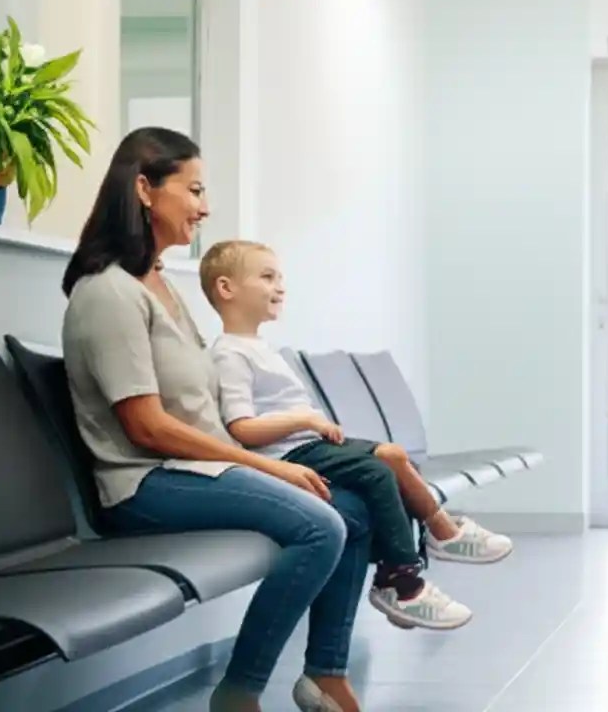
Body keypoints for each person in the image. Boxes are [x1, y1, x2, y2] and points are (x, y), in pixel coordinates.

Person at [61, 127, 370, 712]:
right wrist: (263, 466)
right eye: (195, 190)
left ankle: (326, 674)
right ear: (146, 190)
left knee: (351, 509)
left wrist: (277, 454)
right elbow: (146, 428)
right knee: (321, 526)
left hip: (193, 470)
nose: (205, 207)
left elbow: (203, 412)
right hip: (144, 483)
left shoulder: (161, 290)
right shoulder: (107, 293)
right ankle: (239, 692)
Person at [196, 239, 514, 630]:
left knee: (394, 456)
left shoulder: (260, 347)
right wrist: (305, 420)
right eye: (267, 277)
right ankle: (401, 579)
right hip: (289, 456)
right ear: (226, 288)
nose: (280, 286)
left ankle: (440, 530)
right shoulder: (229, 353)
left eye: (281, 278)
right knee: (379, 473)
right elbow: (242, 428)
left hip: (307, 444)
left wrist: (307, 423)